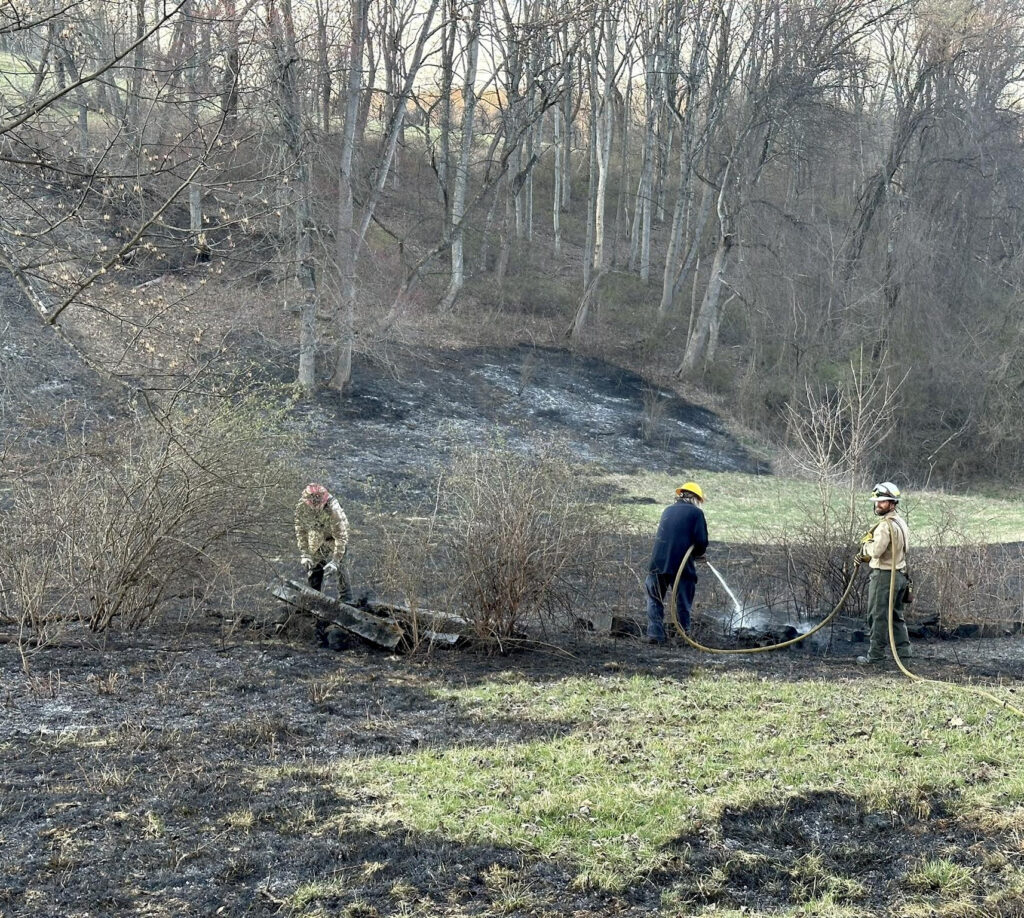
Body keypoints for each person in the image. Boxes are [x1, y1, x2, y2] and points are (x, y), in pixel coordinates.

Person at [645, 481, 709, 644]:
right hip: (680, 565)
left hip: (657, 563)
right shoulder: (696, 514)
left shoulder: (668, 510)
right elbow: (701, 541)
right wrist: (699, 554)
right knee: (683, 601)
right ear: (695, 498)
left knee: (654, 598)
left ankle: (655, 635)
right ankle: (683, 637)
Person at [856, 481, 911, 665]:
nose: (878, 505)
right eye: (877, 501)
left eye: (883, 502)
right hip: (900, 576)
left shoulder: (884, 526)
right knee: (896, 617)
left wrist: (866, 545)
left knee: (877, 616)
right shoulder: (900, 522)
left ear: (892, 503)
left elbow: (876, 551)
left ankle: (876, 657)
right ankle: (905, 656)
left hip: (884, 577)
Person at [294, 483, 353, 602]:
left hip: (335, 536)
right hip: (317, 533)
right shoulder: (301, 507)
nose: (315, 505)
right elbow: (300, 531)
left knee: (341, 567)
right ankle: (313, 597)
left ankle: (346, 600)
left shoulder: (334, 509)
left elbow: (341, 537)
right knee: (314, 564)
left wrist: (335, 561)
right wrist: (305, 553)